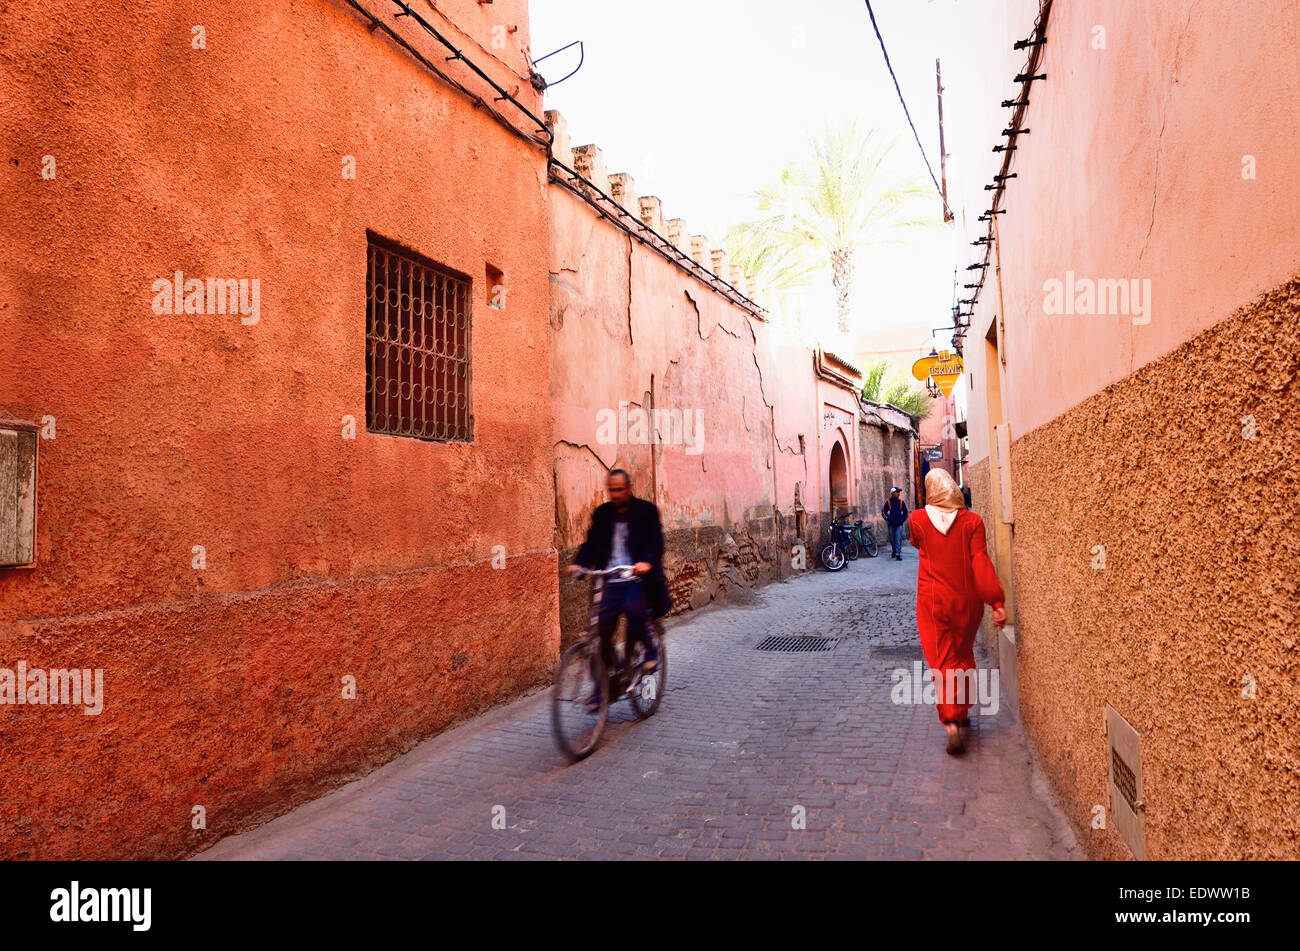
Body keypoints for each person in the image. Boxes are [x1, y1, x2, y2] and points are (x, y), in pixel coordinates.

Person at [908, 468, 1006, 755]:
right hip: (968, 602)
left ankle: (951, 721)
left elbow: (917, 543)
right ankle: (962, 711)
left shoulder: (917, 520)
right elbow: (980, 561)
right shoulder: (973, 521)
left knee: (943, 660)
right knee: (962, 654)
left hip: (933, 602)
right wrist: (996, 603)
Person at [567, 469, 672, 710]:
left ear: (628, 488)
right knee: (598, 634)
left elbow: (655, 543)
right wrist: (580, 564)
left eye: (618, 490)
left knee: (635, 608)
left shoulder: (645, 511)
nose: (614, 495)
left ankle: (650, 652)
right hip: (610, 580)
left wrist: (646, 562)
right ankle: (603, 688)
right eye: (611, 490)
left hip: (635, 578)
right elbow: (591, 544)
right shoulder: (603, 514)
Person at [881, 486, 908, 560]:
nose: (899, 493)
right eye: (897, 492)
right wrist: (888, 519)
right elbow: (883, 512)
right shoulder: (888, 502)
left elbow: (905, 513)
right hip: (891, 524)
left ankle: (898, 554)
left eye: (899, 492)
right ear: (892, 493)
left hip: (899, 524)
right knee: (892, 539)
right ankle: (894, 550)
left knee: (898, 538)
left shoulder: (901, 502)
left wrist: (902, 520)